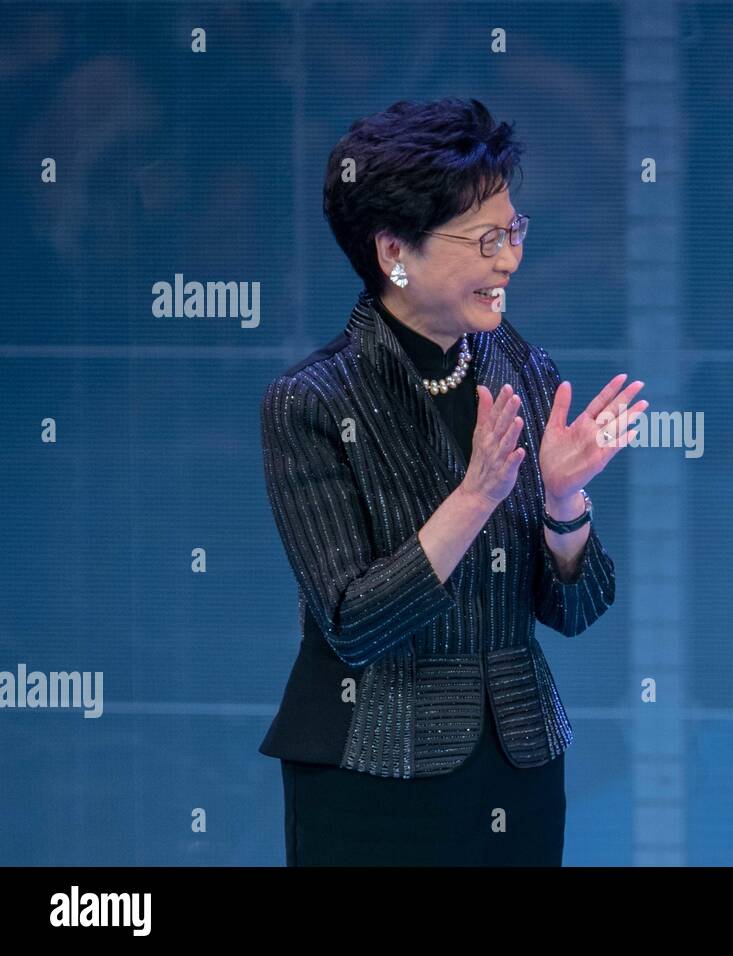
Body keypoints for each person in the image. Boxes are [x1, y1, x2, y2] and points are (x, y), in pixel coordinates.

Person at [258, 97, 648, 865]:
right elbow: (352, 622)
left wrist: (565, 503)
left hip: (518, 758)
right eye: (486, 239)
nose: (510, 260)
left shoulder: (527, 374)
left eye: (515, 233)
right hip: (369, 765)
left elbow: (576, 610)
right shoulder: (311, 403)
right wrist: (474, 500)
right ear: (395, 253)